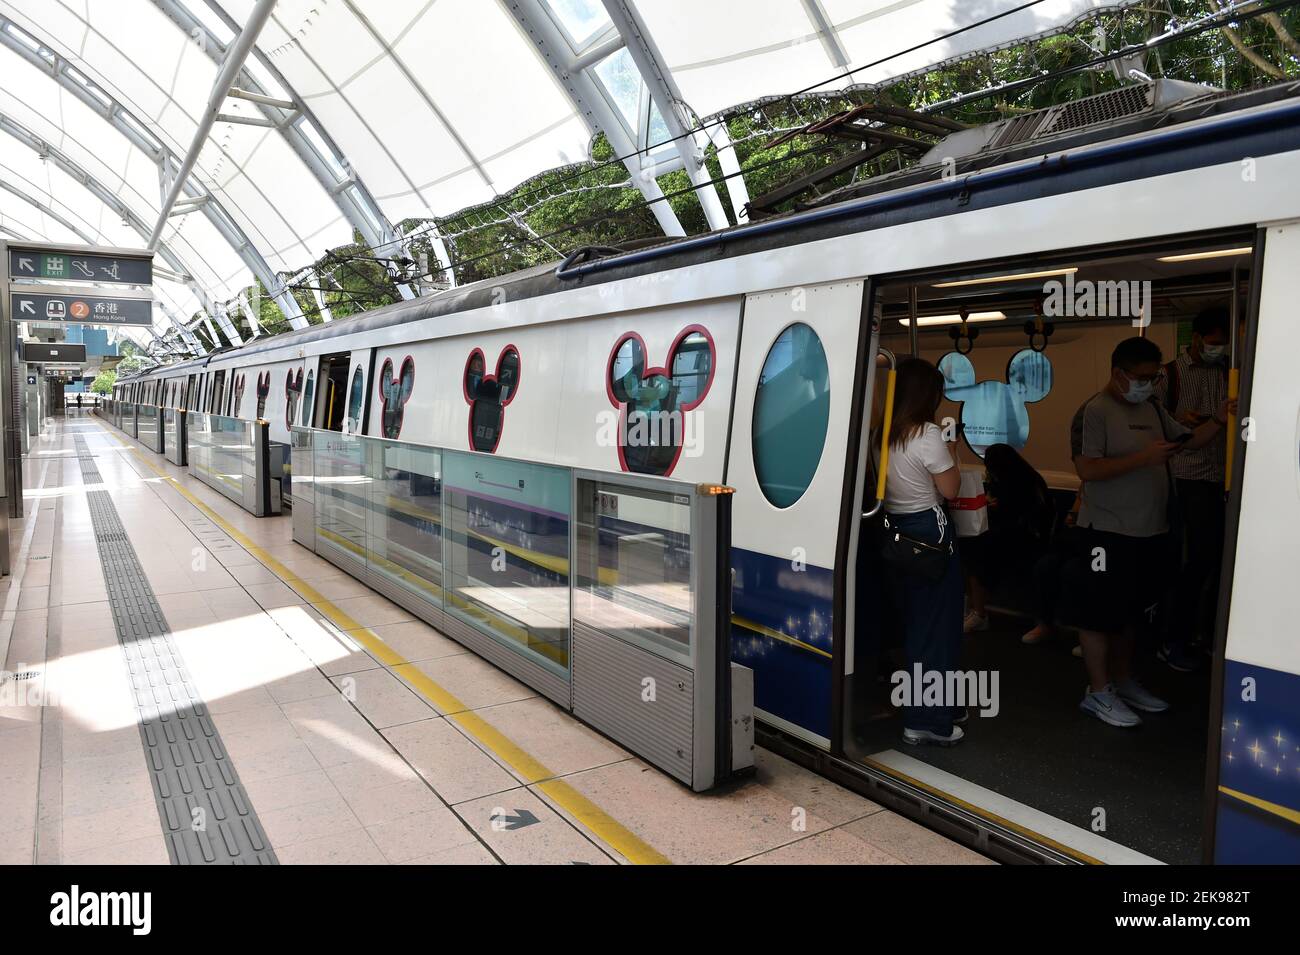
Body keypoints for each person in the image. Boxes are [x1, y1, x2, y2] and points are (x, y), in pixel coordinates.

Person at [1068, 336, 1234, 728]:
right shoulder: (1093, 412)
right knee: (1098, 614)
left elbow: (1187, 443)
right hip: (1106, 532)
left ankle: (1123, 680)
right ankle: (1098, 691)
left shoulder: (1152, 406)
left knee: (1132, 614)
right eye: (1142, 377)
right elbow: (1087, 470)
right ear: (1118, 374)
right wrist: (1144, 457)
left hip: (1150, 529)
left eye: (1153, 376)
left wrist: (1219, 420)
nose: (1148, 383)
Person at [883, 357, 964, 745]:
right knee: (937, 627)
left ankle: (934, 705)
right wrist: (955, 453)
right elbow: (950, 489)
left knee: (917, 623)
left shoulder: (883, 433)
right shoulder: (927, 433)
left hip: (897, 531)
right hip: (930, 531)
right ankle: (928, 720)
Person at [1154, 305, 1230, 672]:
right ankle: (1173, 641)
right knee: (1190, 564)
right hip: (1185, 478)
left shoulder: (1228, 373)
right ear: (1196, 338)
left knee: (1216, 564)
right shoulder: (1170, 375)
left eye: (1223, 342)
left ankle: (1206, 637)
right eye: (1213, 342)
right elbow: (1160, 427)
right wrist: (1195, 421)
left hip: (1221, 478)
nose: (1218, 348)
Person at [961, 443, 1054, 634]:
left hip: (1021, 539)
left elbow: (1012, 517)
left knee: (974, 549)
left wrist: (992, 507)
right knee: (976, 548)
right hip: (1029, 537)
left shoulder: (1015, 484)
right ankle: (977, 610)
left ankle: (978, 611)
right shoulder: (1029, 479)